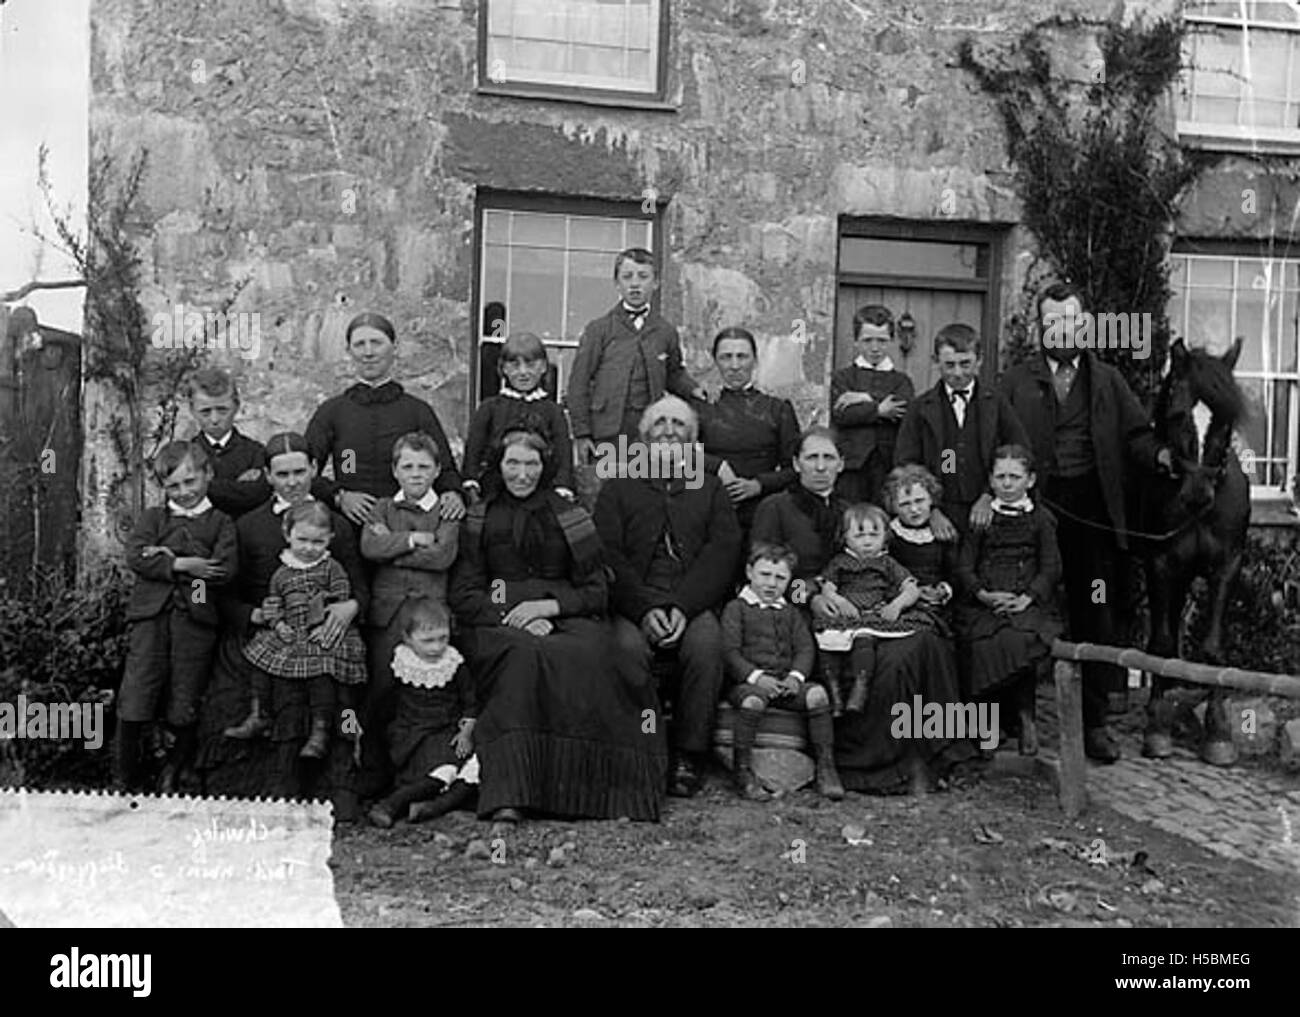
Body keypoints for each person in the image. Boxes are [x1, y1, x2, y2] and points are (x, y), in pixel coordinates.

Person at [450, 429, 665, 822]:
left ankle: (597, 793)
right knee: (522, 656)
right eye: (512, 463)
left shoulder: (570, 515)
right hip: (496, 618)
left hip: (566, 615)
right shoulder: (480, 516)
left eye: (531, 464)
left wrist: (547, 608)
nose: (522, 474)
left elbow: (596, 589)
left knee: (595, 655)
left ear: (545, 467)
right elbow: (466, 591)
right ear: (499, 465)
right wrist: (514, 615)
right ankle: (512, 792)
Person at [999, 282, 1172, 762]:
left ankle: (1095, 724)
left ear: (1085, 324)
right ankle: (1019, 720)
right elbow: (992, 444)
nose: (1062, 330)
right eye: (1052, 322)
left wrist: (1160, 455)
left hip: (1091, 519)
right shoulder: (1014, 382)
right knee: (1022, 614)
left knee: (1095, 612)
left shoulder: (1108, 380)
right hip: (1032, 518)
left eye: (1071, 321)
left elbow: (1137, 435)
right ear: (1041, 327)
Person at [751, 427, 972, 793]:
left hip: (865, 611)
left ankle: (939, 751)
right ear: (795, 463)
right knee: (877, 661)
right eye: (811, 458)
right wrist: (812, 596)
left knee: (920, 646)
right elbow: (763, 570)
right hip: (802, 610)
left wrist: (934, 514)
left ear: (841, 464)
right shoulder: (775, 507)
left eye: (828, 458)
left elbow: (899, 524)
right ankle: (864, 762)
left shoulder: (848, 508)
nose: (820, 467)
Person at [195, 432, 368, 810]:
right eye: (282, 474)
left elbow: (358, 584)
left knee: (331, 679)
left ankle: (333, 791)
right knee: (253, 687)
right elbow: (226, 592)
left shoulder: (331, 523)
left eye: (299, 472)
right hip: (268, 626)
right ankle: (273, 789)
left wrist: (351, 607)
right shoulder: (248, 526)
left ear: (314, 470)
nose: (292, 482)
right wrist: (254, 614)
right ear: (268, 477)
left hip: (324, 625)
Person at [595, 396, 741, 798]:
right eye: (660, 423)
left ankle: (688, 754)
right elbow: (608, 555)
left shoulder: (710, 488)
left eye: (679, 424)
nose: (669, 431)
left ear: (692, 437)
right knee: (625, 650)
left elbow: (722, 553)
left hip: (690, 602)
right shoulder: (618, 485)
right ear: (644, 436)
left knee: (708, 646)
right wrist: (644, 609)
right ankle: (639, 750)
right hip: (633, 602)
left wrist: (682, 606)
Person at [117, 440, 237, 792]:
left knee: (185, 697)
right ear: (163, 488)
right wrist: (183, 562)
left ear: (208, 475)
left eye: (190, 482)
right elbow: (137, 557)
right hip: (150, 618)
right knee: (139, 689)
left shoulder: (221, 522)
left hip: (195, 619)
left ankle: (174, 771)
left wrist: (167, 556)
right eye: (173, 486)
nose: (184, 492)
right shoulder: (154, 518)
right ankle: (126, 777)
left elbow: (223, 570)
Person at [358, 432, 459, 795]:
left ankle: (419, 772)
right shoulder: (382, 507)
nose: (415, 474)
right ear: (395, 471)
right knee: (381, 691)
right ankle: (373, 773)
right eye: (408, 466)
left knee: (425, 696)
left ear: (437, 471)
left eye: (423, 467)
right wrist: (415, 540)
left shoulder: (447, 510)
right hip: (388, 615)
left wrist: (393, 545)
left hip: (430, 613)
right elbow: (370, 547)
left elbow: (442, 556)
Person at [230, 500, 367, 760]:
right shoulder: (281, 572)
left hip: (323, 631)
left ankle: (321, 729)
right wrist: (278, 625)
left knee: (322, 671)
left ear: (330, 539)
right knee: (259, 658)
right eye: (302, 540)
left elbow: (340, 599)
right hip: (292, 631)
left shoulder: (331, 568)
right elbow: (275, 604)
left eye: (318, 542)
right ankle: (260, 713)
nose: (308, 548)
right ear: (287, 534)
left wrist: (325, 622)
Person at [306, 312, 465, 528]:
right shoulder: (332, 412)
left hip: (407, 525)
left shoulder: (417, 411)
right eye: (360, 344)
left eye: (376, 343)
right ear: (348, 351)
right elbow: (304, 470)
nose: (368, 352)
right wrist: (339, 496)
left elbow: (445, 469)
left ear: (394, 348)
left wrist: (452, 493)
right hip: (350, 523)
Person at [954, 445, 1063, 756]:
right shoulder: (981, 519)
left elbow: (1052, 567)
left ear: (1029, 480)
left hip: (1026, 601)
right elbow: (964, 565)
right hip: (984, 601)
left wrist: (1028, 598)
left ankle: (1026, 718)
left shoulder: (1042, 519)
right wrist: (983, 594)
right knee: (978, 643)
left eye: (1014, 477)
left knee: (1019, 639)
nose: (1007, 483)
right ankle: (987, 725)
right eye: (1000, 477)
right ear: (990, 480)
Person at [720, 543, 843, 801]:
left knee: (818, 695)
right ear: (749, 572)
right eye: (765, 575)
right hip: (748, 684)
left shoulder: (791, 612)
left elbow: (805, 649)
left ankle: (826, 767)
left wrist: (795, 677)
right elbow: (730, 652)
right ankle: (742, 771)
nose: (771, 584)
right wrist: (757, 678)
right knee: (752, 701)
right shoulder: (736, 608)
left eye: (780, 578)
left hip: (785, 684)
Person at [567, 248, 705, 466]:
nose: (635, 284)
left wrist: (693, 389)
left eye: (643, 276)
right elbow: (578, 383)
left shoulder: (665, 331)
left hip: (649, 432)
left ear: (656, 283)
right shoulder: (599, 330)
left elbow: (674, 373)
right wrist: (582, 433)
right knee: (608, 488)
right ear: (617, 284)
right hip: (607, 430)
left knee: (646, 489)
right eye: (627, 276)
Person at [894, 323, 1029, 540]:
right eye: (949, 365)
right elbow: (906, 463)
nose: (957, 373)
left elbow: (1018, 450)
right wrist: (932, 510)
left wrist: (989, 495)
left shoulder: (996, 403)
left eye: (965, 364)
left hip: (988, 506)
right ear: (936, 361)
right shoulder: (920, 407)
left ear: (980, 360)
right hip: (939, 512)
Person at [368, 598, 478, 829]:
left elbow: (470, 701)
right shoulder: (401, 665)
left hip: (447, 732)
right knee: (446, 770)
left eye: (443, 638)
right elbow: (380, 704)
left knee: (475, 767)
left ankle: (432, 808)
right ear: (407, 638)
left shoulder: (454, 664)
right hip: (414, 736)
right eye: (427, 641)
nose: (436, 647)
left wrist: (467, 731)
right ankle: (390, 804)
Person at [815, 503, 923, 715]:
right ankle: (834, 693)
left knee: (863, 641)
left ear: (885, 536)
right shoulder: (840, 562)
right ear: (845, 537)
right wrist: (840, 602)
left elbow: (911, 589)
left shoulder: (887, 563)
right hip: (845, 615)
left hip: (874, 614)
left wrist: (896, 605)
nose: (867, 541)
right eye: (859, 535)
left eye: (874, 535)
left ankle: (860, 686)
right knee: (826, 642)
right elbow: (827, 588)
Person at [695, 326, 801, 538]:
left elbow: (795, 469)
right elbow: (680, 456)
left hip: (764, 516)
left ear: (755, 360)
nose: (735, 365)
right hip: (710, 514)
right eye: (726, 357)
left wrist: (758, 485)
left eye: (742, 357)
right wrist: (718, 467)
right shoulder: (700, 408)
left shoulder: (777, 409)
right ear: (715, 361)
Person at [463, 331, 574, 500]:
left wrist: (562, 487)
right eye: (514, 365)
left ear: (543, 366)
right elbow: (474, 450)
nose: (523, 372)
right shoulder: (490, 408)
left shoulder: (553, 411)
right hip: (495, 493)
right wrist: (471, 482)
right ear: (504, 368)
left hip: (542, 494)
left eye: (530, 365)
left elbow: (563, 455)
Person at [830, 305, 913, 506]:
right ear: (856, 340)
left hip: (888, 463)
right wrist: (878, 410)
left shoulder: (901, 380)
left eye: (882, 340)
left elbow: (902, 408)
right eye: (868, 340)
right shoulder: (843, 377)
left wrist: (865, 397)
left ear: (891, 340)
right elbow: (843, 414)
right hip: (851, 465)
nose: (875, 348)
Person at [185, 367, 271, 519]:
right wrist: (236, 488)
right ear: (192, 410)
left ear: (236, 406)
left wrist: (203, 485)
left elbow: (255, 496)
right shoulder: (184, 455)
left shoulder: (256, 452)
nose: (214, 419)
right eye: (205, 412)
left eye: (222, 410)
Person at [882, 464, 956, 638]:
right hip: (902, 606)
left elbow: (955, 573)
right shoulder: (889, 537)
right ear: (893, 506)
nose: (914, 509)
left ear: (931, 499)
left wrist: (944, 590)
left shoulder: (942, 533)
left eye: (919, 501)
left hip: (941, 607)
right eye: (905, 504)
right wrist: (911, 594)